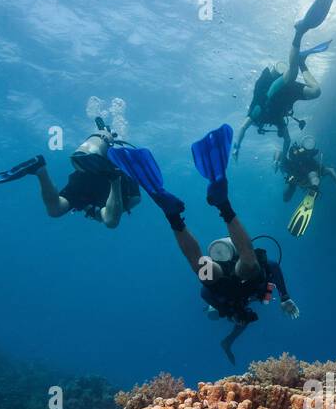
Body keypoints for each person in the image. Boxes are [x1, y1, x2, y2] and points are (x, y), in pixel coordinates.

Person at [109, 124, 299, 364]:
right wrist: (284, 297)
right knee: (237, 263)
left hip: (223, 277)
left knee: (214, 267)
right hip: (233, 272)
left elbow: (207, 294)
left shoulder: (227, 306)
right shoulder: (242, 303)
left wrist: (233, 311)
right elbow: (272, 265)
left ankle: (184, 212)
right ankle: (205, 207)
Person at [0, 119, 141, 228]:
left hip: (86, 180)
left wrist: (91, 209)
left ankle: (40, 170)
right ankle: (104, 140)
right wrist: (117, 181)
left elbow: (105, 213)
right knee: (111, 221)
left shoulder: (92, 206)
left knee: (56, 209)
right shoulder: (126, 191)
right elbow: (126, 205)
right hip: (113, 178)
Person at [233, 0, 334, 160]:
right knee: (316, 91)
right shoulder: (277, 121)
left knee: (291, 75)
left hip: (271, 89)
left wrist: (237, 147)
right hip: (286, 95)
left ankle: (299, 31)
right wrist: (285, 156)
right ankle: (301, 61)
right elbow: (286, 139)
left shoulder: (256, 113)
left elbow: (243, 127)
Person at [276, 135, 336, 237]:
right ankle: (313, 190)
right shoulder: (296, 156)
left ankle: (313, 190)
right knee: (287, 197)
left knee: (310, 178)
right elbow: (279, 152)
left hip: (302, 179)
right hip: (297, 180)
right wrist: (275, 161)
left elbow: (329, 170)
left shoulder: (311, 162)